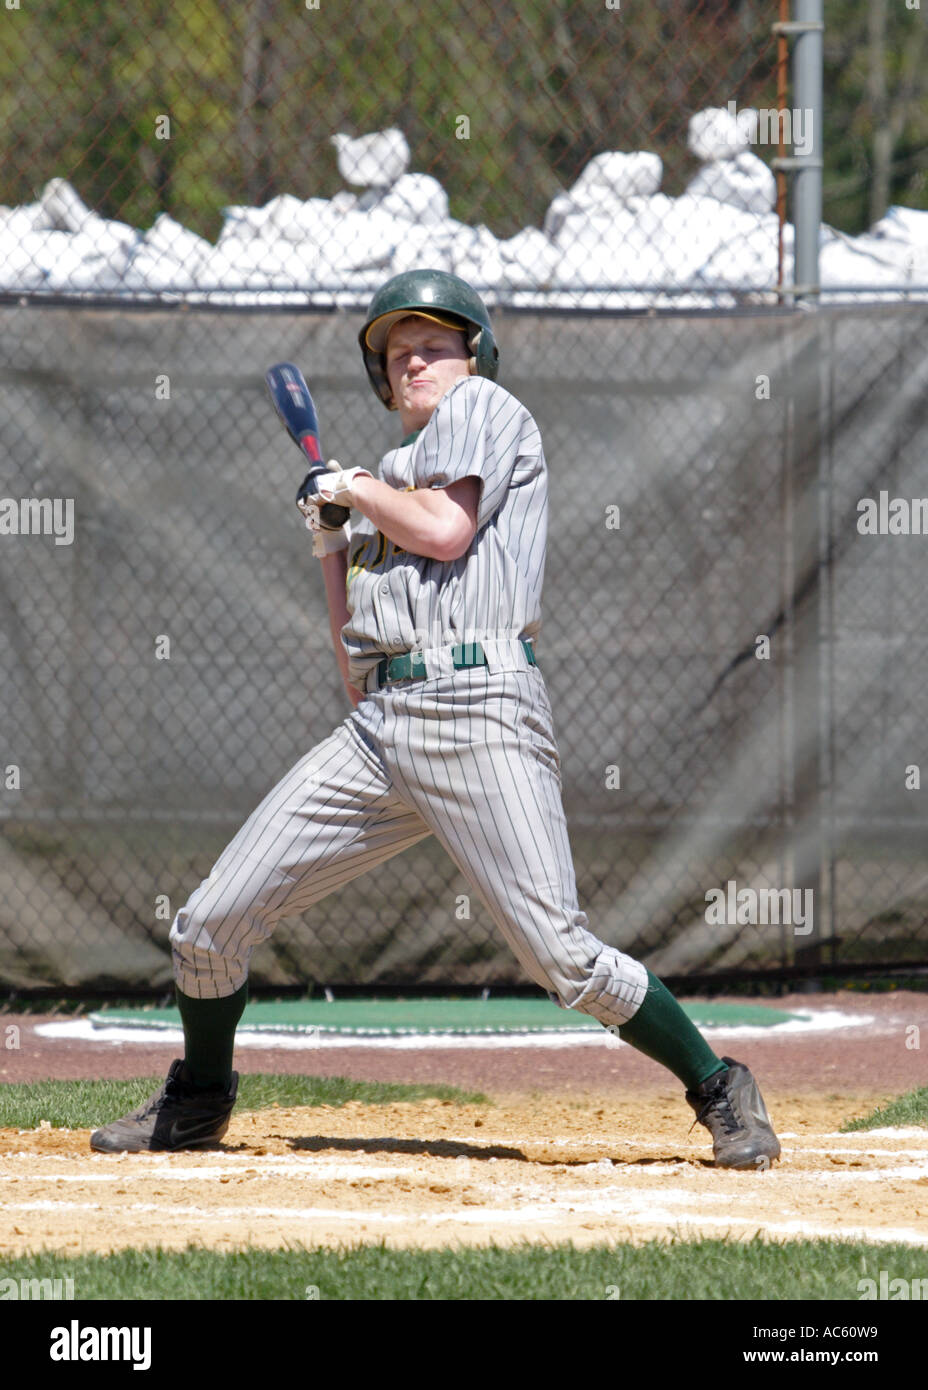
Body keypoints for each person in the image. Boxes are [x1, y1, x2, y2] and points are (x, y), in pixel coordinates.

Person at [91, 269, 781, 1170]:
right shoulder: (386, 485)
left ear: (473, 353)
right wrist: (332, 539)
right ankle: (201, 1096)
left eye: (432, 344)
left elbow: (447, 533)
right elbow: (352, 665)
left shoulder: (487, 409)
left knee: (562, 959)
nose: (413, 360)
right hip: (385, 726)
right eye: (396, 352)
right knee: (210, 923)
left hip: (481, 709)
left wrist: (358, 490)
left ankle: (719, 1084)